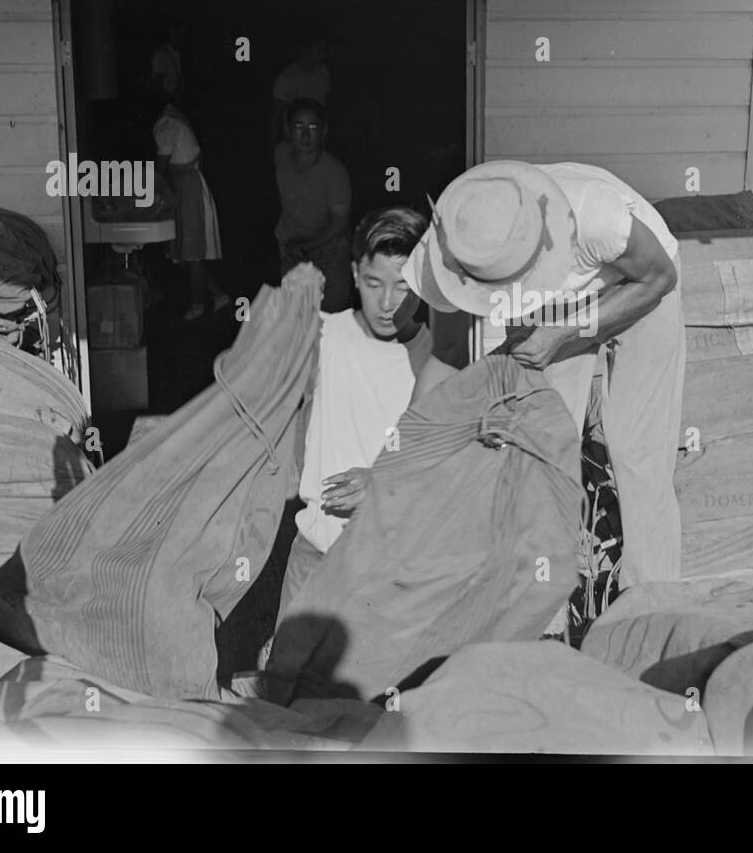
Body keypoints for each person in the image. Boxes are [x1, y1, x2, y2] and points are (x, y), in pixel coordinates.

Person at [403, 160, 686, 587]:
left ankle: (650, 603)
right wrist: (407, 454)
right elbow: (446, 352)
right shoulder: (457, 238)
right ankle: (544, 601)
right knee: (542, 442)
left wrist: (562, 333)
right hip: (558, 296)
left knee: (636, 449)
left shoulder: (597, 216)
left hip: (640, 283)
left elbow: (659, 278)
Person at [277, 207, 433, 617]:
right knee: (287, 679)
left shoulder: (439, 361)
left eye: (402, 286)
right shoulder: (325, 336)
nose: (386, 303)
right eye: (373, 283)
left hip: (394, 570)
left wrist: (381, 484)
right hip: (314, 556)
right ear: (353, 273)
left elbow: (450, 469)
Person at [150, 83, 230, 320]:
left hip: (189, 188)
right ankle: (217, 294)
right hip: (183, 186)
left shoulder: (168, 123)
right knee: (183, 254)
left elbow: (162, 167)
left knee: (192, 254)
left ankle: (197, 304)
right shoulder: (171, 118)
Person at [273, 98, 353, 311]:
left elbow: (339, 223)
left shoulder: (335, 172)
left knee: (331, 320)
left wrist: (306, 247)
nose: (306, 135)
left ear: (323, 131)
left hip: (329, 253)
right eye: (298, 127)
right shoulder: (280, 155)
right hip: (292, 249)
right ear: (288, 130)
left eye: (313, 127)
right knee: (296, 317)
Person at [269, 37, 331, 144]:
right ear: (304, 50)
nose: (322, 55)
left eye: (323, 51)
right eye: (318, 50)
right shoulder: (286, 78)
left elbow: (326, 104)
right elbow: (276, 116)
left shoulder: (323, 72)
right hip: (293, 142)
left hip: (318, 139)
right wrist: (272, 144)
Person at [150, 22, 186, 104]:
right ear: (172, 34)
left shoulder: (178, 54)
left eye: (183, 35)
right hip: (166, 104)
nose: (182, 38)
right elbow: (156, 85)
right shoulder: (162, 55)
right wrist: (171, 100)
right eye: (179, 34)